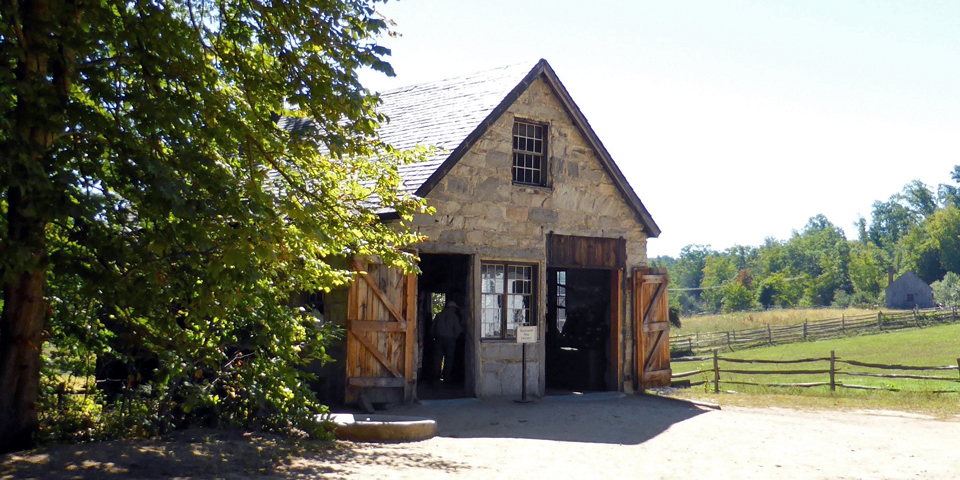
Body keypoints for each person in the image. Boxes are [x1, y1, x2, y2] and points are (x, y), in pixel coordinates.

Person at [431, 300, 462, 383]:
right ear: (452, 308)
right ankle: (446, 377)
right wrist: (454, 337)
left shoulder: (438, 315)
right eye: (455, 308)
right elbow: (458, 330)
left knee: (437, 359)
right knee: (449, 359)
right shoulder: (454, 316)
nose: (455, 309)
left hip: (438, 339)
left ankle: (435, 377)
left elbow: (432, 329)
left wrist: (434, 337)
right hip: (450, 340)